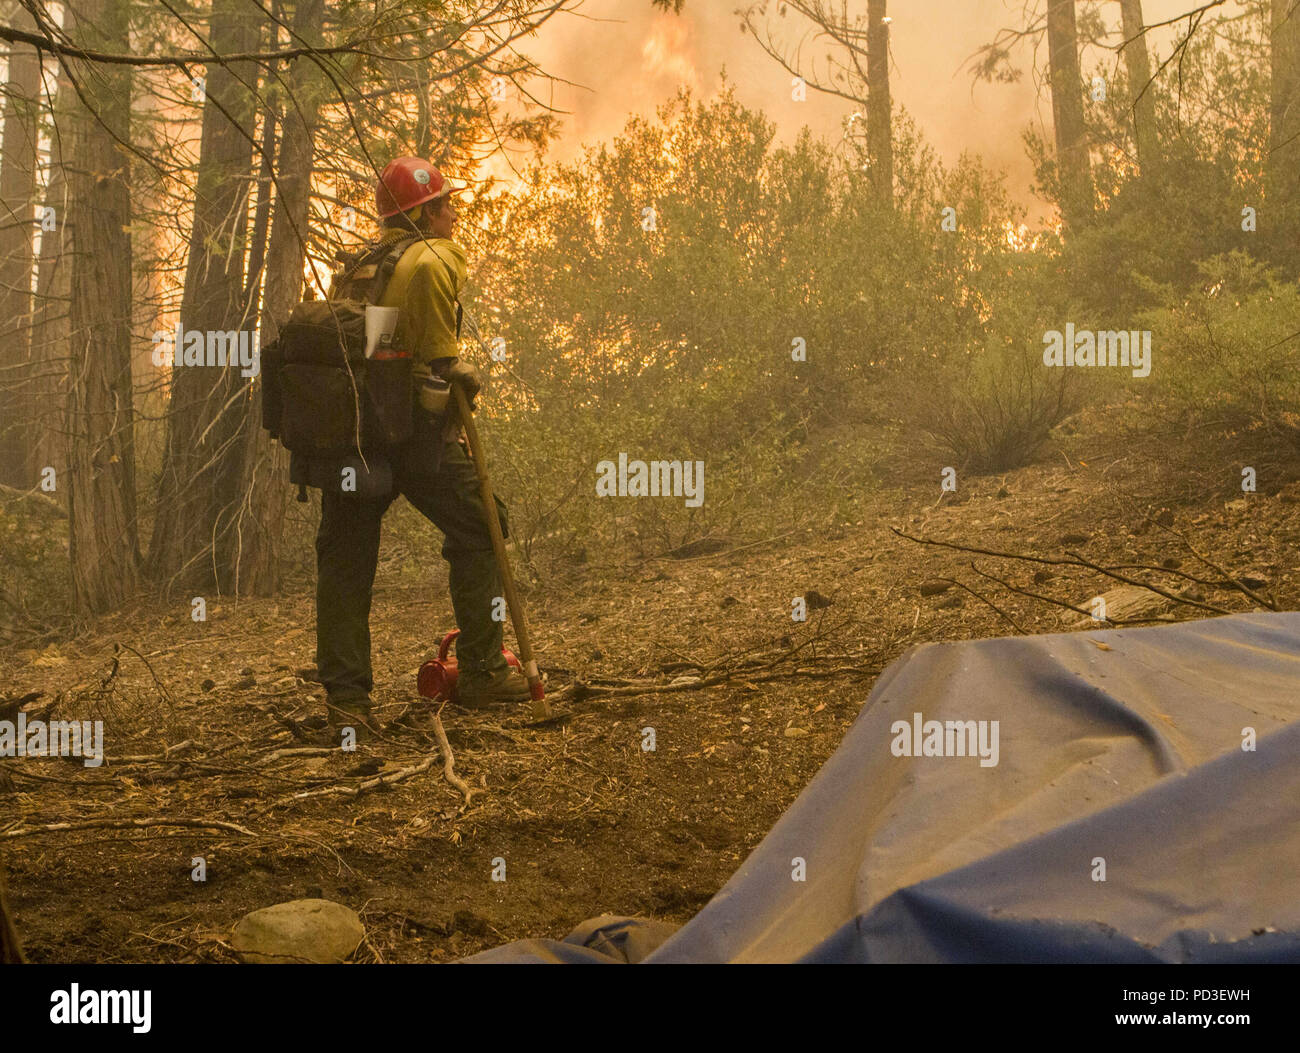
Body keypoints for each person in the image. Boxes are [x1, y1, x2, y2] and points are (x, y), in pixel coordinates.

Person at [315, 156, 530, 738]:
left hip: (354, 437)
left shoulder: (360, 265)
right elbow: (440, 360)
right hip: (413, 433)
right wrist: (455, 376)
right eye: (446, 205)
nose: (454, 215)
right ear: (426, 211)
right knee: (482, 524)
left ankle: (346, 702)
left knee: (344, 561)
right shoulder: (432, 258)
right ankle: (484, 671)